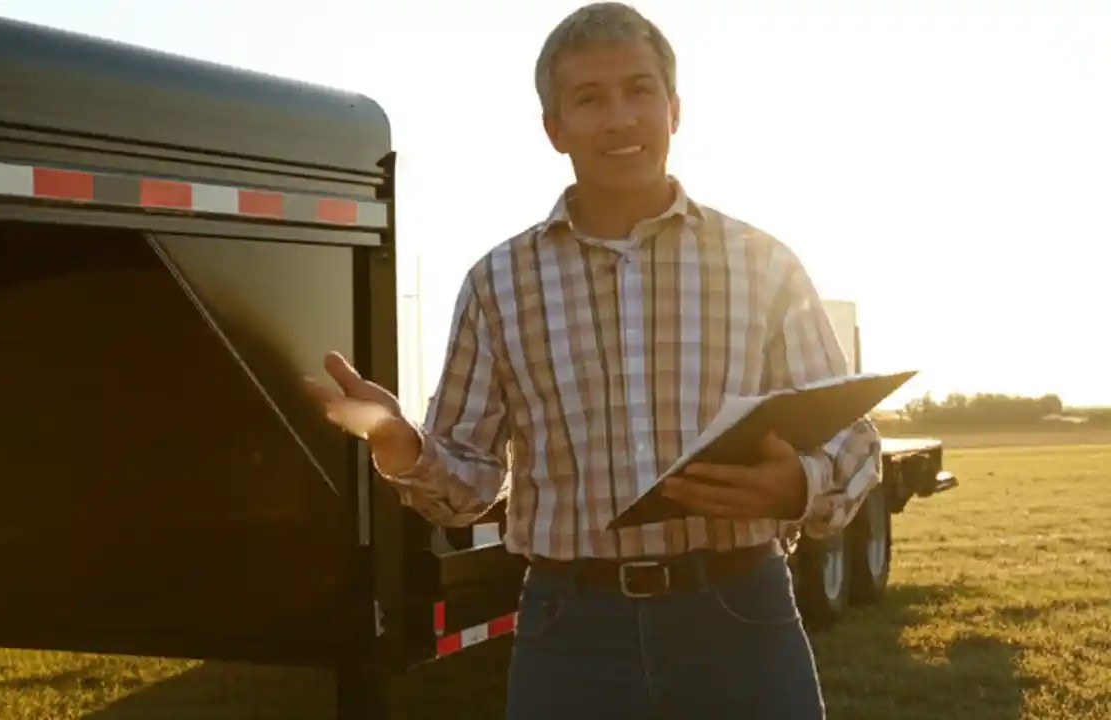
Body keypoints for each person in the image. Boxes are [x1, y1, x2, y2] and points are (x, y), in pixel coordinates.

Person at [305, 3, 882, 718]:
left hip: (741, 616)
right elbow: (471, 481)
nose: (619, 118)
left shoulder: (763, 265)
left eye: (639, 91)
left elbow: (855, 444)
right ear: (554, 128)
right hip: (570, 632)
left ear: (674, 110)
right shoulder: (499, 283)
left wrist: (797, 484)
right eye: (589, 99)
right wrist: (400, 443)